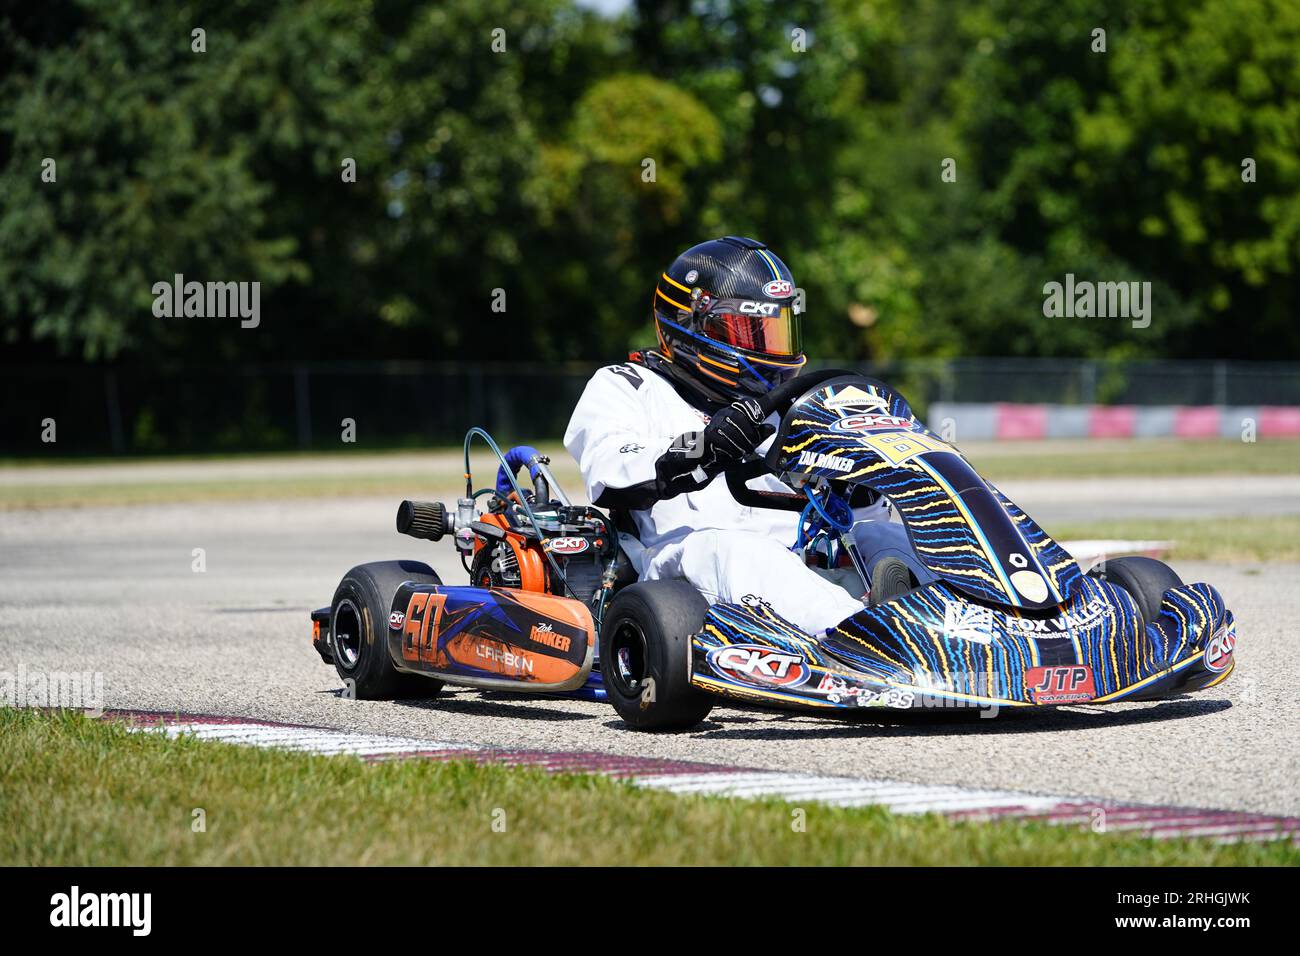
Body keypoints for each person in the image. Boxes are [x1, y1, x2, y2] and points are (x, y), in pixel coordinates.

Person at [563, 236, 928, 634]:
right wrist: (705, 450)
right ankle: (871, 637)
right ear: (694, 325)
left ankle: (970, 623)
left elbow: (858, 517)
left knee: (885, 535)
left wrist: (858, 485)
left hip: (801, 566)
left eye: (776, 332)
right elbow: (610, 470)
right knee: (743, 551)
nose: (770, 350)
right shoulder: (629, 385)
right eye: (753, 332)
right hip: (683, 568)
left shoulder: (789, 408)